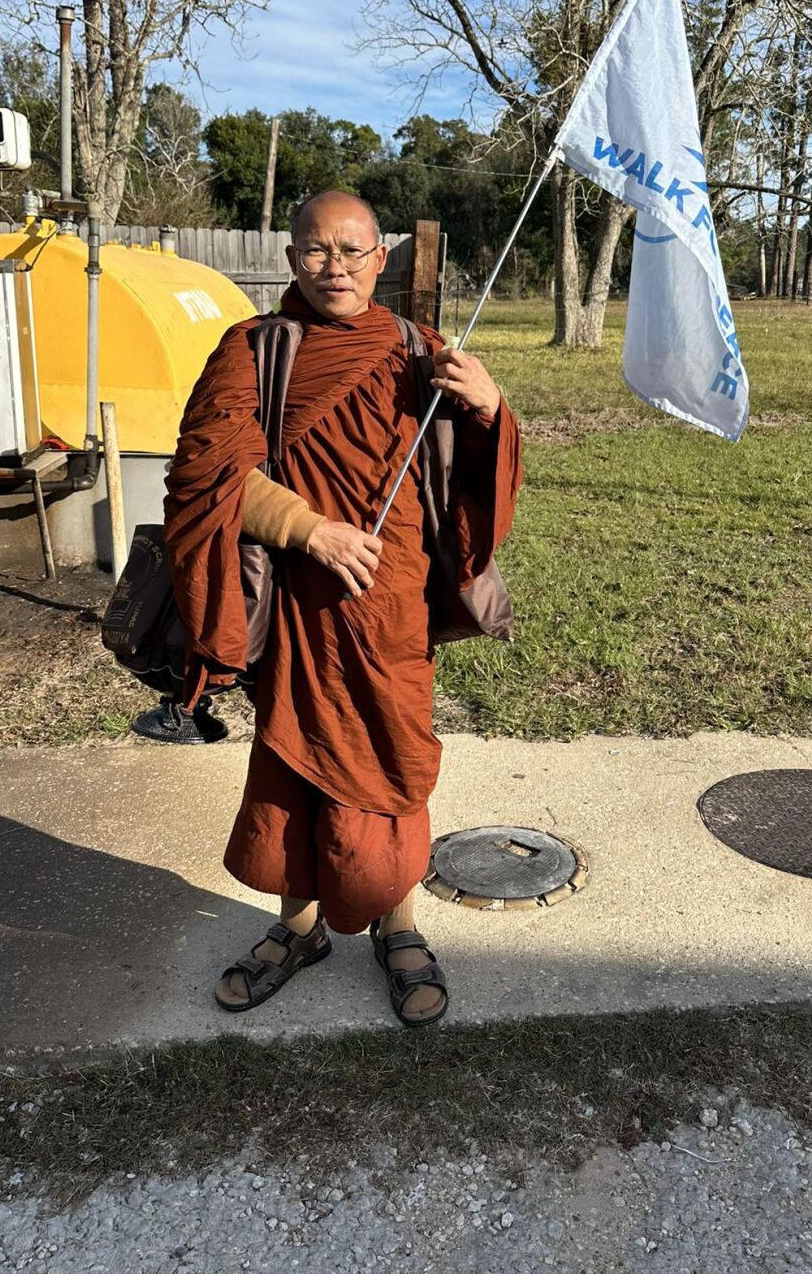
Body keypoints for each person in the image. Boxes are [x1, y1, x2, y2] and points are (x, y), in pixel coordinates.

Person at [163, 191, 521, 1026]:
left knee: (391, 758)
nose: (335, 267)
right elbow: (202, 482)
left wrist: (488, 408)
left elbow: (471, 475)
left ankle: (398, 927)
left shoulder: (414, 349)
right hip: (299, 598)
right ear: (290, 259)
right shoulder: (253, 351)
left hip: (390, 607)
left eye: (353, 251)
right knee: (290, 758)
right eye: (317, 251)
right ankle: (296, 926)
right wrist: (307, 528)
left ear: (380, 259)